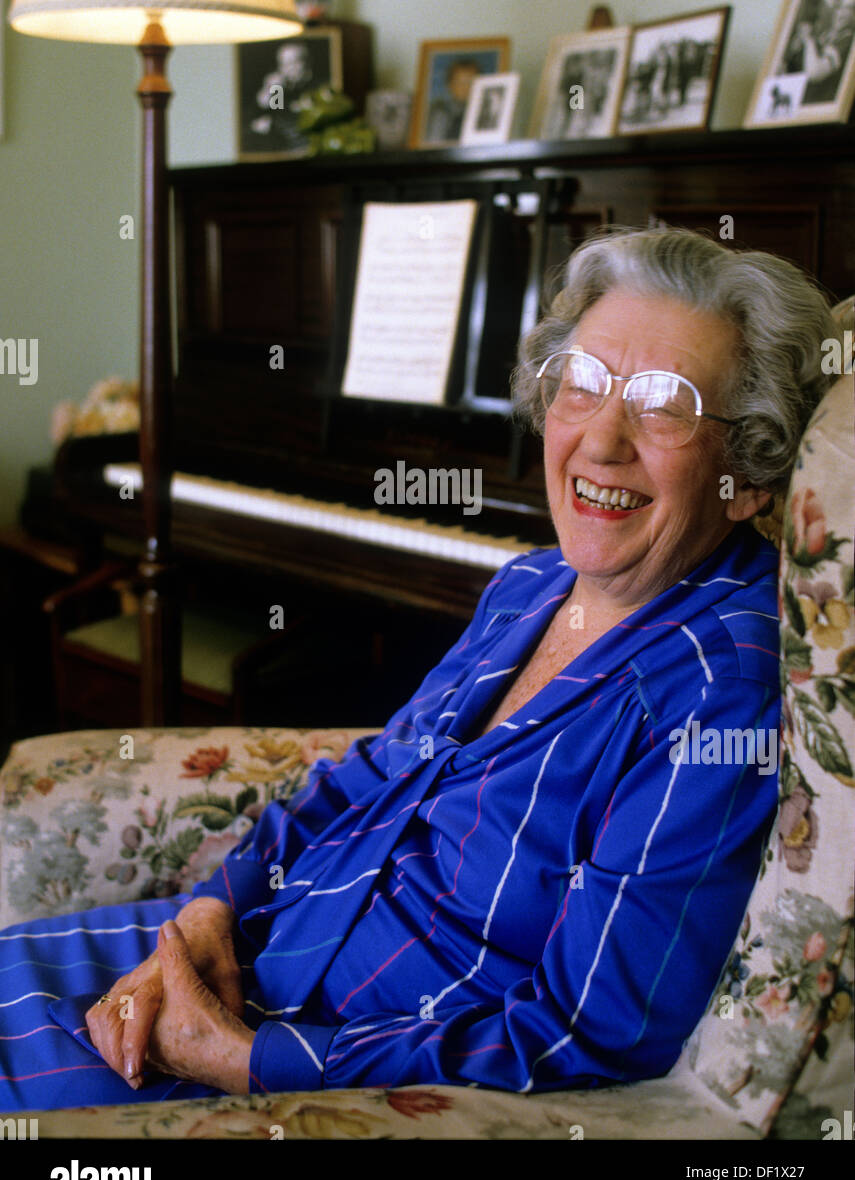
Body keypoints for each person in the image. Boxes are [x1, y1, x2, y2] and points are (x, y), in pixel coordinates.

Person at [0, 228, 840, 1110]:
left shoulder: (717, 699)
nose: (600, 440)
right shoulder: (532, 584)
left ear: (746, 473)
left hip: (333, 1053)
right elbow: (374, 774)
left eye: (664, 404)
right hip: (259, 941)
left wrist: (246, 1061)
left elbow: (586, 1031)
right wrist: (212, 907)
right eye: (581, 383)